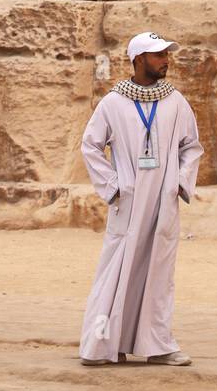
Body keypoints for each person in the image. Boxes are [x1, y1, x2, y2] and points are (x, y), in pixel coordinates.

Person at [78, 31, 204, 366]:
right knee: (118, 269)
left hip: (164, 201)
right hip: (129, 201)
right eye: (158, 55)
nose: (165, 60)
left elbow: (191, 146)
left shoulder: (175, 101)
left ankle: (158, 346)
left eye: (166, 54)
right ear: (138, 60)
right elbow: (90, 146)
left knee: (159, 272)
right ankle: (105, 344)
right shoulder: (113, 103)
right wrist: (114, 186)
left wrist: (178, 183)